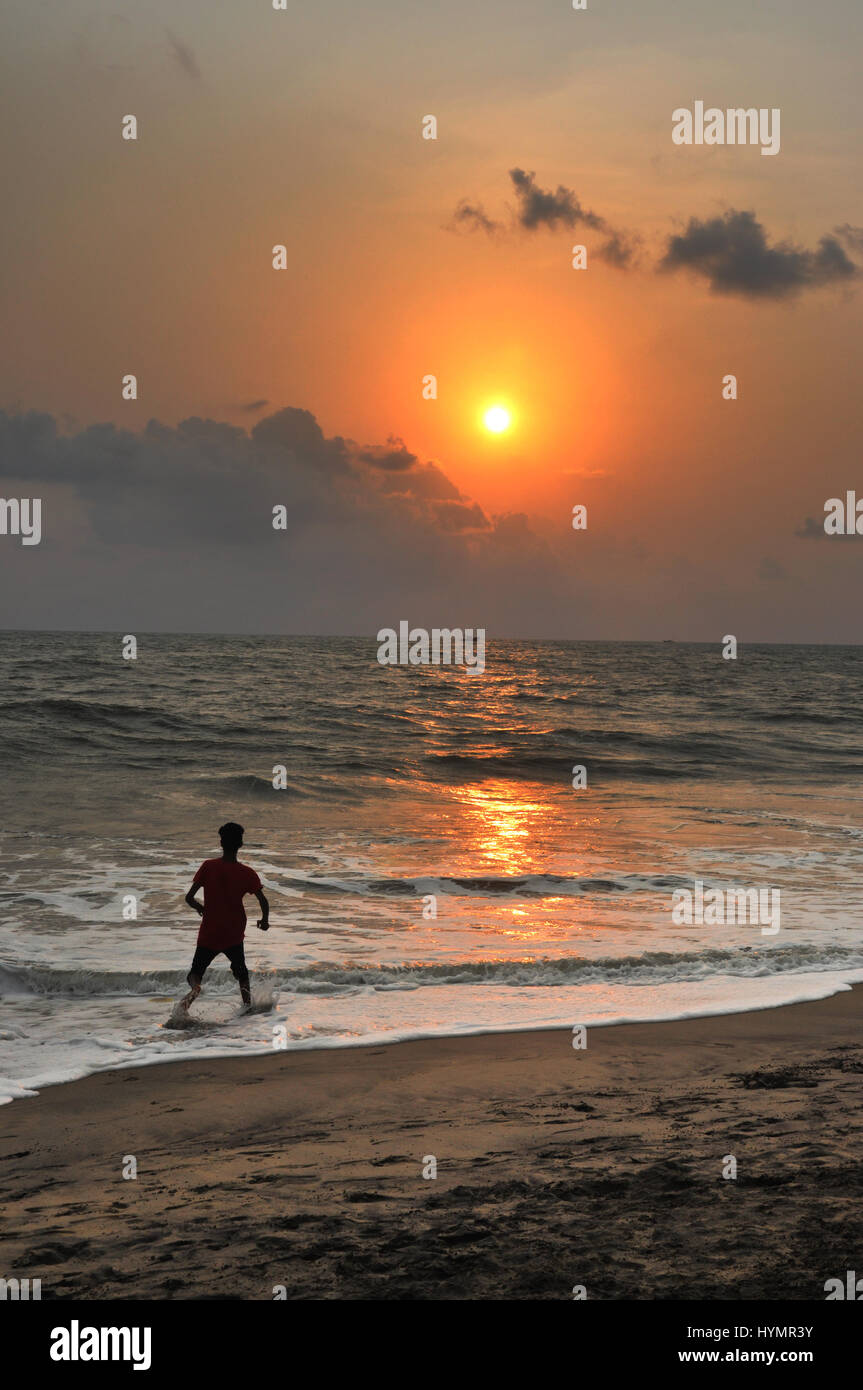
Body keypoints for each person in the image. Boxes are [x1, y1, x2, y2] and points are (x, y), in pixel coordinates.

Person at [181, 822, 269, 1011]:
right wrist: (265, 921)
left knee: (196, 972)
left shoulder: (208, 866)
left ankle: (195, 990)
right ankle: (247, 1007)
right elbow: (263, 900)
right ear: (241, 844)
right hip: (233, 931)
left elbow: (189, 898)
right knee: (242, 973)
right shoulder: (247, 873)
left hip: (210, 930)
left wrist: (201, 908)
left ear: (221, 843)